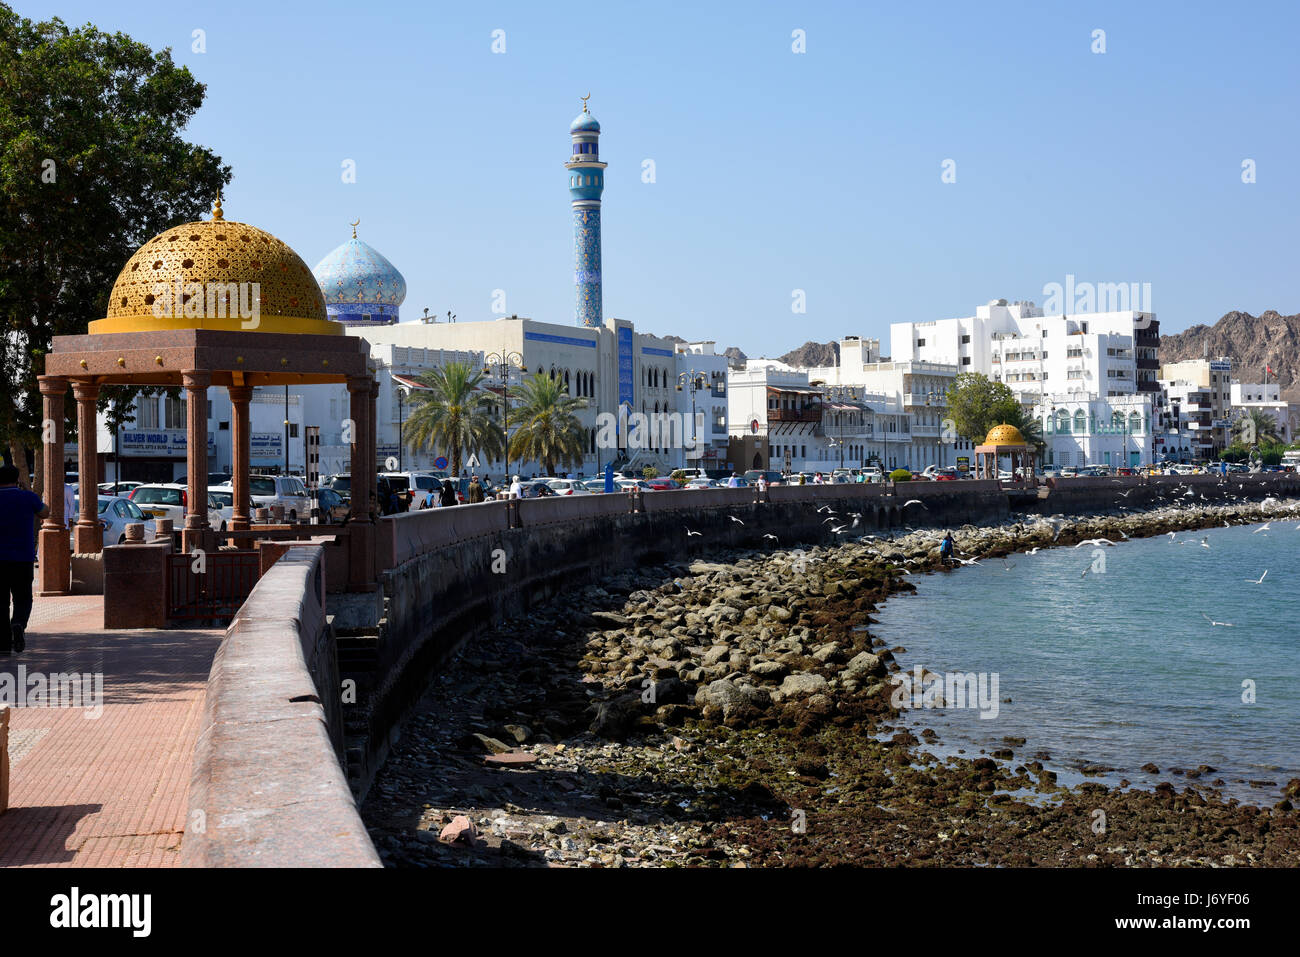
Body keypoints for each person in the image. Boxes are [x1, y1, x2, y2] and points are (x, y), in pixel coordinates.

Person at [1, 464, 49, 655]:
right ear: (17, 479)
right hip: (22, 558)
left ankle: (3, 645)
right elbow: (46, 512)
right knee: (22, 598)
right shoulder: (28, 498)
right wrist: (27, 489)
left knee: (1, 603)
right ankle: (18, 623)